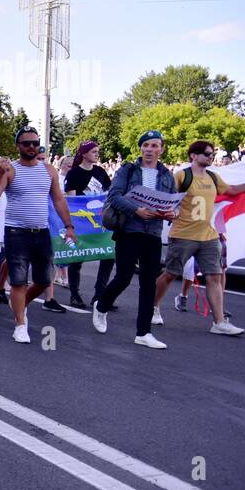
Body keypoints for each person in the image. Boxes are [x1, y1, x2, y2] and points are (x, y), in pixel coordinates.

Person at [0, 126, 77, 344]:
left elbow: (58, 200)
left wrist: (69, 226)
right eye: (26, 143)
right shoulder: (10, 169)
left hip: (41, 232)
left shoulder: (49, 171)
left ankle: (19, 303)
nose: (32, 147)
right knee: (18, 281)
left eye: (35, 143)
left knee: (44, 280)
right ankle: (20, 324)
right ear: (18, 146)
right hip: (16, 232)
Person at [151, 139, 245, 336]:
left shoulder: (213, 177)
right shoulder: (182, 176)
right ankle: (152, 307)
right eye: (207, 154)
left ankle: (219, 322)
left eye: (212, 154)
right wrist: (172, 210)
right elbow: (167, 198)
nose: (211, 157)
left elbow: (231, 191)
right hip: (184, 235)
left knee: (215, 276)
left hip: (209, 235)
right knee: (170, 274)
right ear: (193, 156)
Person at [91, 131, 176, 348]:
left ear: (161, 149)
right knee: (124, 276)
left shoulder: (166, 175)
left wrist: (170, 213)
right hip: (130, 230)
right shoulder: (127, 170)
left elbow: (173, 202)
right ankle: (102, 305)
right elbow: (114, 196)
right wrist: (136, 210)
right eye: (146, 145)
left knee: (148, 283)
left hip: (153, 233)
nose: (149, 149)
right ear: (141, 148)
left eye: (154, 145)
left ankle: (143, 332)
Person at [62, 140, 115, 310]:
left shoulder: (100, 171)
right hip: (82, 221)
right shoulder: (74, 173)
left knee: (108, 256)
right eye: (93, 151)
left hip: (100, 222)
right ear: (84, 154)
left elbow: (110, 191)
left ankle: (100, 295)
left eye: (97, 151)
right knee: (77, 258)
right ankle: (74, 294)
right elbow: (71, 199)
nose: (97, 154)